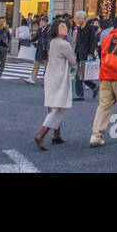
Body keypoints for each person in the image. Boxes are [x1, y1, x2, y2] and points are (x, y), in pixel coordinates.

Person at [34, 19, 77, 149]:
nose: (65, 28)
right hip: (60, 77)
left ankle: (56, 135)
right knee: (59, 107)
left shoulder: (52, 42)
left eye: (65, 26)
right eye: (62, 27)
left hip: (50, 75)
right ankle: (41, 134)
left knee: (53, 106)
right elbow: (73, 61)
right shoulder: (64, 44)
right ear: (56, 30)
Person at [90, 15, 117, 147]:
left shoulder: (106, 38)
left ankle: (96, 135)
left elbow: (103, 56)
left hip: (105, 76)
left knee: (104, 106)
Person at [73, 11, 99, 101]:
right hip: (79, 53)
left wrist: (91, 54)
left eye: (77, 18)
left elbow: (93, 42)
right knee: (82, 75)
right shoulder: (79, 28)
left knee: (78, 75)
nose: (76, 20)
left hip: (86, 54)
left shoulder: (89, 28)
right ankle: (94, 87)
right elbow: (78, 42)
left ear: (83, 18)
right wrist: (75, 52)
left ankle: (80, 95)